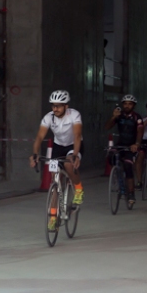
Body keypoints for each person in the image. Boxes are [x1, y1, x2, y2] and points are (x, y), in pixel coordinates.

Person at [30, 90, 83, 227]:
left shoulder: (74, 115)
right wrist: (35, 154)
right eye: (53, 106)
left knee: (68, 165)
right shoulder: (48, 117)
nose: (55, 109)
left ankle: (78, 189)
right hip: (58, 146)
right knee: (55, 180)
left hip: (73, 145)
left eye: (58, 106)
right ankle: (53, 216)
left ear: (66, 106)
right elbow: (39, 137)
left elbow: (77, 136)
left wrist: (75, 155)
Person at [105, 94, 144, 209]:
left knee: (128, 165)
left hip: (131, 146)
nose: (127, 106)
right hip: (120, 144)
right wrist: (113, 117)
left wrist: (136, 144)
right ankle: (118, 175)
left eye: (130, 104)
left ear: (134, 105)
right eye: (125, 104)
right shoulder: (119, 115)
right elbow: (107, 127)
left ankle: (131, 194)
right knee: (110, 157)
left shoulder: (137, 117)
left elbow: (140, 131)